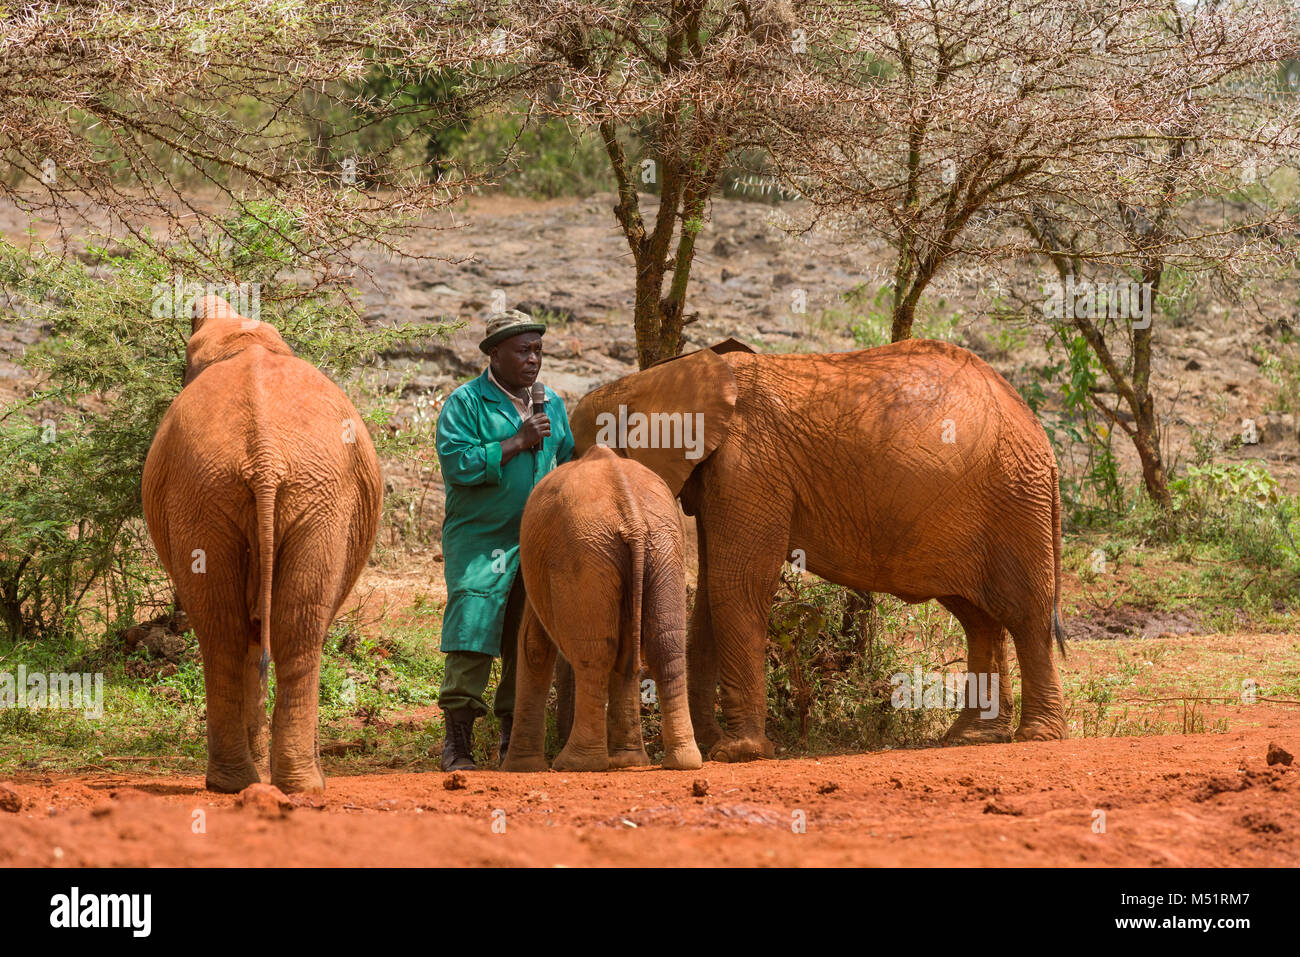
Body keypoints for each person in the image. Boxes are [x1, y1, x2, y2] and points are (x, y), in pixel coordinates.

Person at [435, 309, 574, 770]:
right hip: (480, 539)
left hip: (535, 540)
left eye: (537, 350)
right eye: (522, 350)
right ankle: (457, 744)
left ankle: (515, 741)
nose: (533, 359)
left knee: (527, 637)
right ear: (494, 353)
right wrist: (516, 441)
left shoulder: (550, 402)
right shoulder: (466, 402)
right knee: (472, 630)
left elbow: (567, 459)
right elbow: (458, 464)